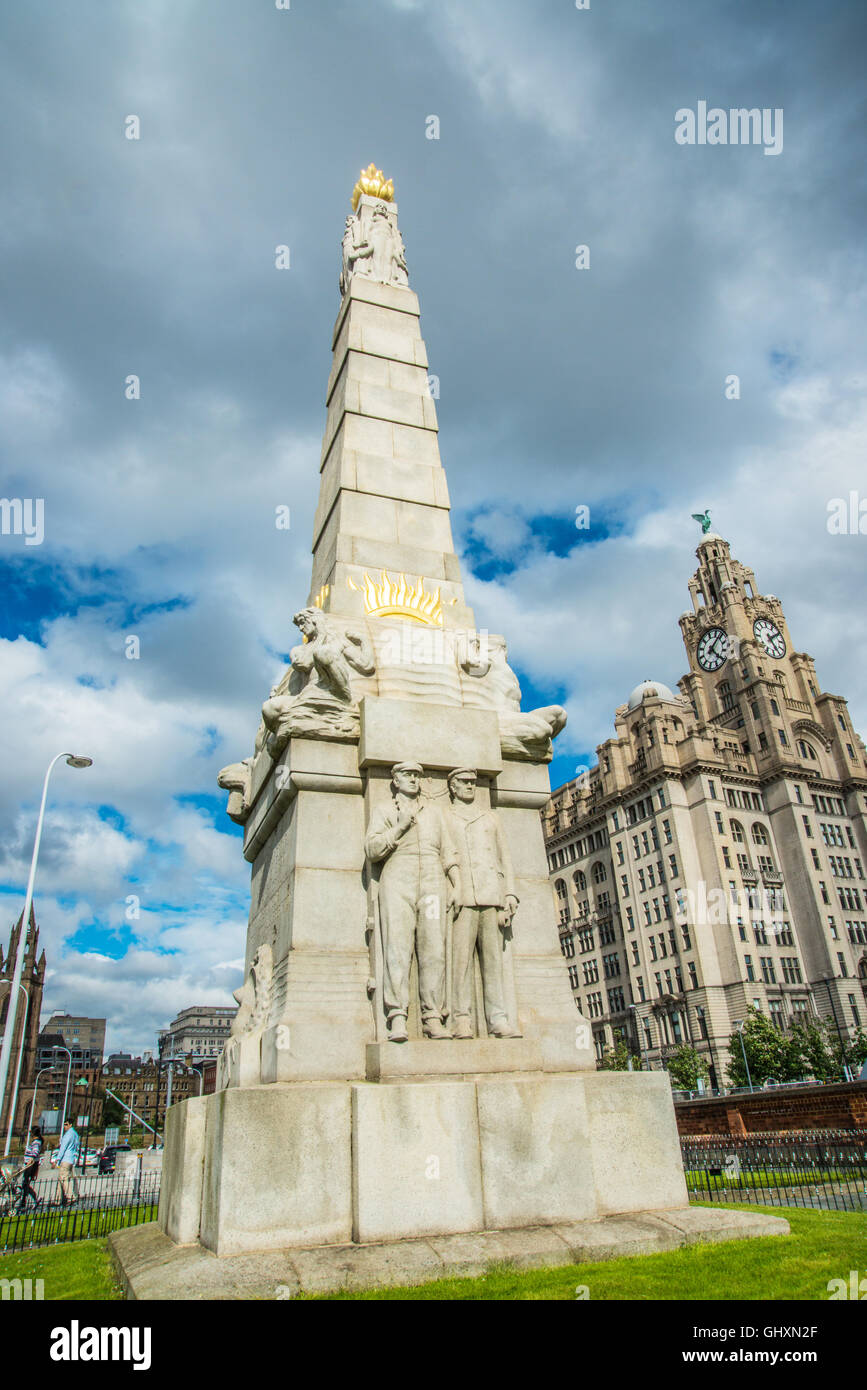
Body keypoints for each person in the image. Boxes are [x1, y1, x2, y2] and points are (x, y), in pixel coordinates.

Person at [365, 762, 460, 1041]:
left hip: (432, 878)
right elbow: (372, 849)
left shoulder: (434, 813)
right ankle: (397, 1016)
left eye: (417, 775)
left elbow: (449, 850)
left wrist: (456, 884)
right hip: (398, 877)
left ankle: (432, 1017)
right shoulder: (385, 810)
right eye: (407, 775)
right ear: (395, 780)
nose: (413, 780)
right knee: (398, 948)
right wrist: (399, 828)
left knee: (434, 950)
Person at [444, 768, 521, 1039]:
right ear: (452, 787)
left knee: (493, 962)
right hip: (463, 897)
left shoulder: (491, 818)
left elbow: (505, 857)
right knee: (460, 962)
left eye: (472, 782)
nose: (469, 786)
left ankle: (498, 1018)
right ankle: (461, 1019)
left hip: (491, 895)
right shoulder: (446, 817)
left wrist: (509, 893)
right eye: (463, 782)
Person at [16, 1125, 43, 1211]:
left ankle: (31, 1199)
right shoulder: (36, 1142)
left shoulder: (36, 1142)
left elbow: (35, 1152)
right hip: (29, 1165)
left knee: (25, 1184)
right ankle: (24, 1201)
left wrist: (30, 1160)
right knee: (25, 1183)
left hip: (30, 1165)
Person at [55, 1119, 80, 1207]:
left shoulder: (67, 1135)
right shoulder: (75, 1135)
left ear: (70, 1125)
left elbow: (63, 1148)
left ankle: (71, 1197)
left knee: (63, 1179)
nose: (65, 1126)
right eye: (64, 1124)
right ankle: (57, 1200)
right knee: (61, 1179)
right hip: (71, 1159)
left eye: (66, 1124)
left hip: (65, 1159)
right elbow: (77, 1146)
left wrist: (57, 1159)